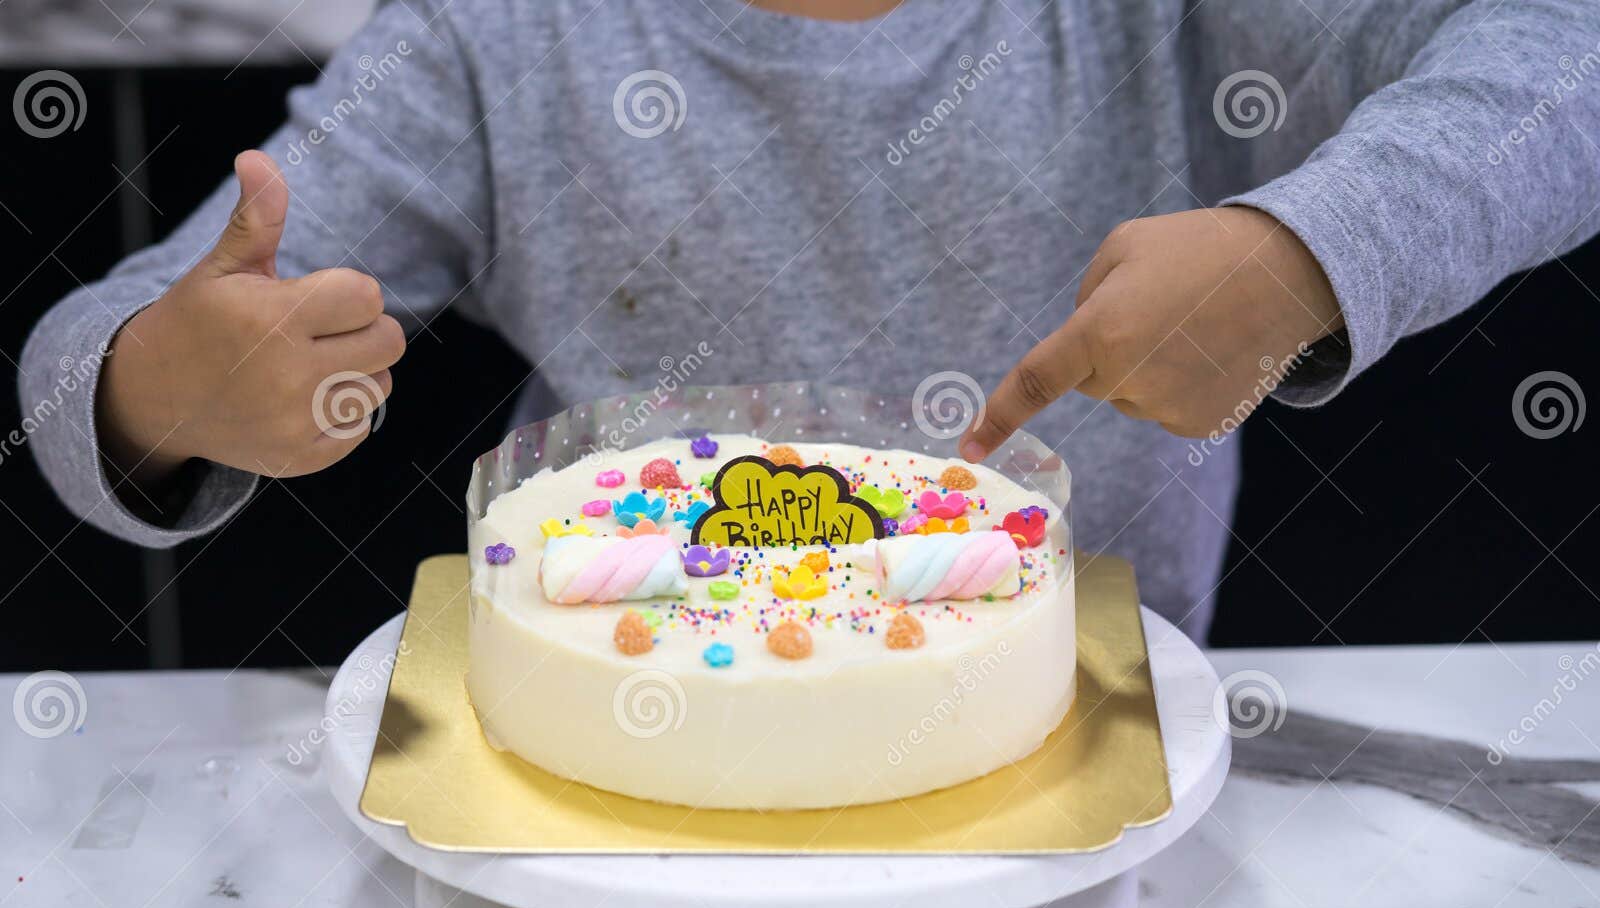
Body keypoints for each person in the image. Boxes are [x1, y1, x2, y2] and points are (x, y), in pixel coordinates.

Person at [20, 0, 1600, 638]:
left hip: (1084, 813)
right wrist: (160, 389)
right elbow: (106, 344)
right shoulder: (493, 35)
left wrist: (1304, 249)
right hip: (617, 810)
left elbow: (1566, 62)